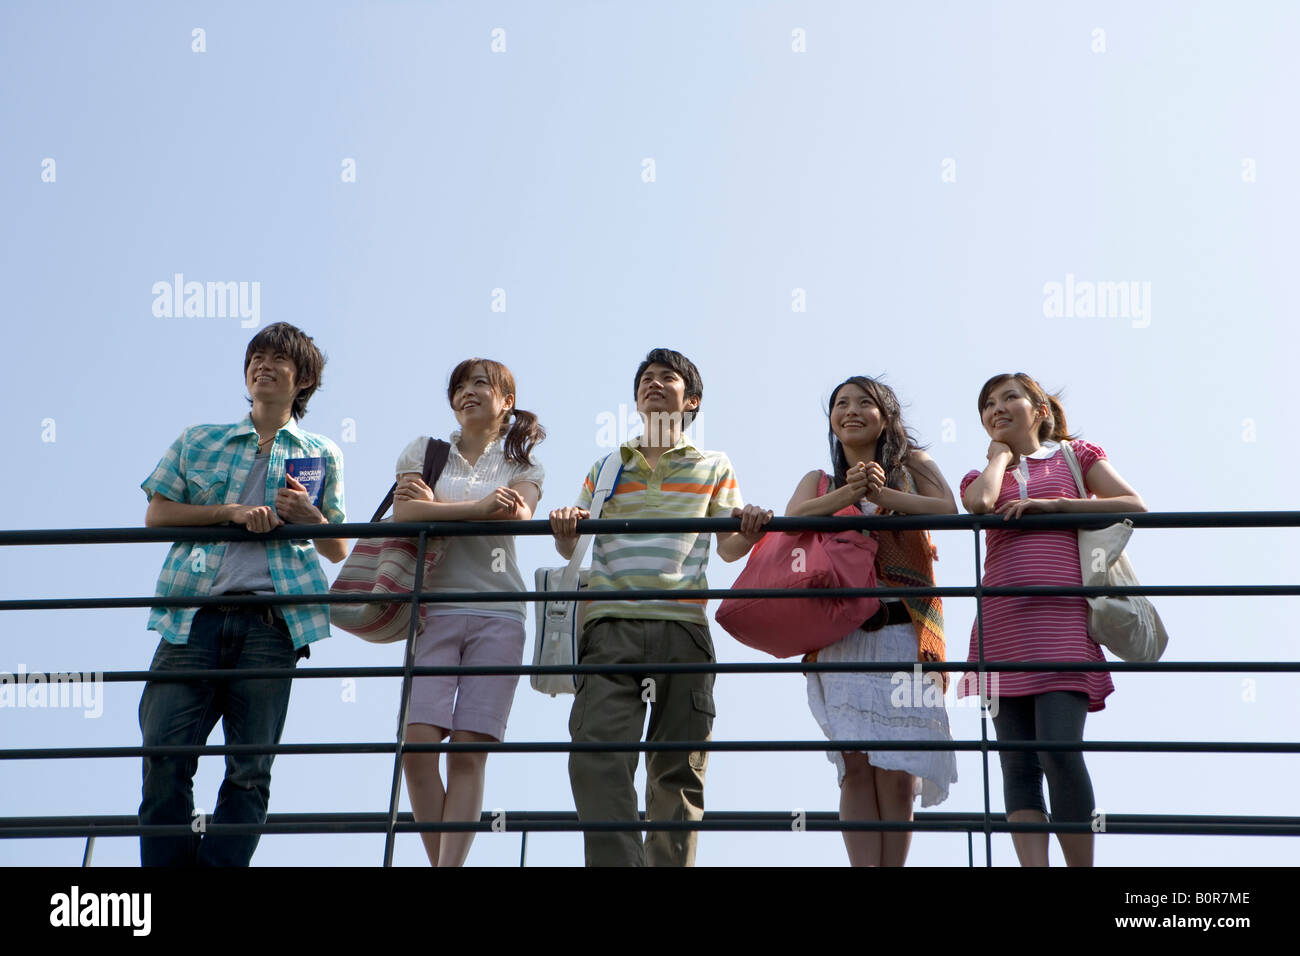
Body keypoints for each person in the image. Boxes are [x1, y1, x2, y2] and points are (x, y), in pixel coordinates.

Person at [549, 348, 772, 867]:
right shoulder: (607, 466)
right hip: (609, 626)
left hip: (683, 628)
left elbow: (729, 548)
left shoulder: (714, 464)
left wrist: (750, 527)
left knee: (679, 771)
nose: (653, 383)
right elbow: (571, 550)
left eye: (666, 377)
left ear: (691, 399)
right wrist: (565, 525)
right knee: (596, 759)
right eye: (645, 378)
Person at [138, 322, 347, 866]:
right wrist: (227, 512)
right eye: (256, 357)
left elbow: (338, 547)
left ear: (302, 380)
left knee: (249, 773)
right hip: (193, 619)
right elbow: (157, 514)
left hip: (272, 626)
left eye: (278, 359)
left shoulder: (322, 452)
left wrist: (311, 517)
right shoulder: (199, 438)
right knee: (164, 757)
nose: (263, 365)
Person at [959, 372, 1146, 867]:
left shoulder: (1075, 456)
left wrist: (1055, 506)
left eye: (1009, 398)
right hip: (1002, 625)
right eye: (987, 404)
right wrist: (1000, 456)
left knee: (1059, 750)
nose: (996, 408)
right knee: (1017, 763)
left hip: (1062, 621)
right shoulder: (982, 477)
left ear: (1039, 409)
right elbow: (978, 505)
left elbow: (1133, 505)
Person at [785, 376, 958, 867]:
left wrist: (884, 496)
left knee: (899, 773)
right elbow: (793, 518)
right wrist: (848, 492)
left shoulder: (913, 466)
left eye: (865, 402)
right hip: (842, 637)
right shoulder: (819, 480)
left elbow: (947, 508)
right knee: (855, 767)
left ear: (886, 416)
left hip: (906, 632)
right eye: (841, 404)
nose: (851, 411)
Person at [391, 358, 545, 867]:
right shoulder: (427, 451)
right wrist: (477, 509)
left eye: (481, 383)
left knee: (467, 754)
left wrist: (444, 507)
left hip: (499, 614)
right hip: (433, 610)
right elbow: (406, 513)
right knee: (417, 750)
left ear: (506, 401)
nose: (467, 392)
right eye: (460, 385)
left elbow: (518, 512)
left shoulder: (523, 463)